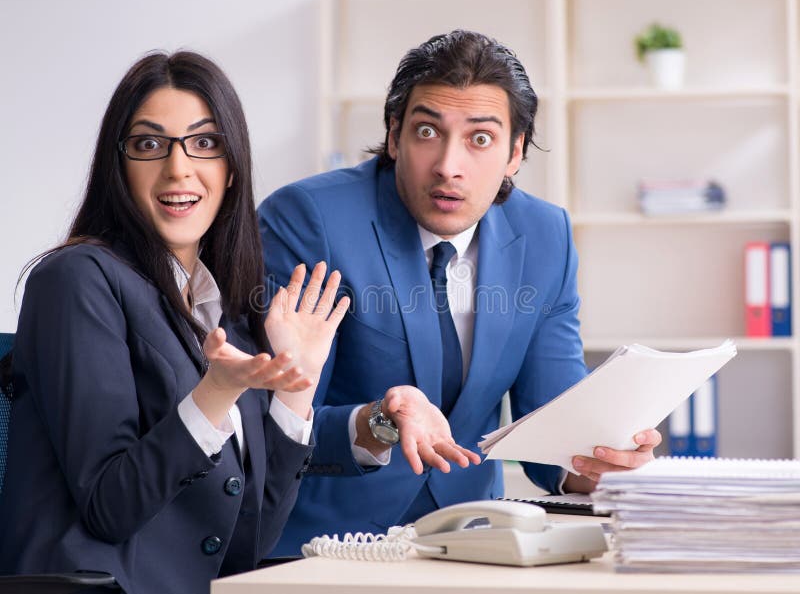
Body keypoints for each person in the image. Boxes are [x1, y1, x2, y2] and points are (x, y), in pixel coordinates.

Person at [258, 29, 662, 555]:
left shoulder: (545, 235)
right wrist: (381, 420)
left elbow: (552, 423)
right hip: (320, 547)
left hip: (474, 543)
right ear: (394, 132)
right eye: (428, 131)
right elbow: (276, 423)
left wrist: (598, 467)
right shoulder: (310, 220)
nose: (449, 165)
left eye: (480, 138)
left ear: (515, 152)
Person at [0, 51, 348, 593]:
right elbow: (108, 508)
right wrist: (214, 394)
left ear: (231, 170)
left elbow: (251, 541)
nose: (178, 168)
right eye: (148, 144)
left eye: (205, 144)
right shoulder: (75, 280)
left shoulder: (226, 311)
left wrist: (296, 390)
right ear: (119, 167)